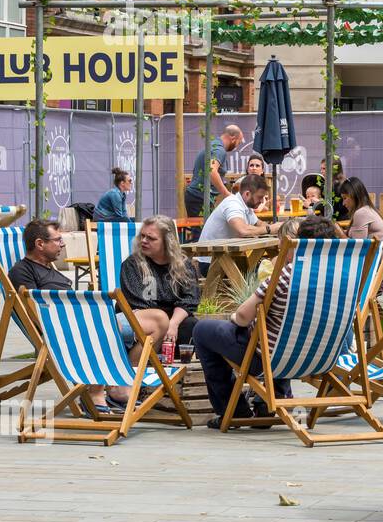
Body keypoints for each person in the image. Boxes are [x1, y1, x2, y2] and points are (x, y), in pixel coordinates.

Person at [193, 215, 343, 429]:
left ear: (300, 242)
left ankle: (234, 411)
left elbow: (243, 317)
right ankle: (267, 404)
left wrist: (235, 318)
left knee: (203, 330)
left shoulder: (286, 275)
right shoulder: (344, 277)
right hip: (320, 359)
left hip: (269, 361)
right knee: (280, 330)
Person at [9, 219, 114, 412]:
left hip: (79, 324)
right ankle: (96, 394)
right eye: (57, 240)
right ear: (40, 244)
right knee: (116, 333)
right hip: (63, 333)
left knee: (148, 325)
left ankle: (117, 391)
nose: (63, 244)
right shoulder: (22, 272)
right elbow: (36, 315)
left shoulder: (49, 268)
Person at [109, 216, 201, 408]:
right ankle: (133, 381)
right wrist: (166, 323)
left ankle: (177, 389)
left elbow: (190, 299)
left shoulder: (183, 265)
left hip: (170, 320)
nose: (143, 241)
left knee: (191, 327)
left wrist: (173, 324)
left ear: (167, 242)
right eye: (142, 236)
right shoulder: (132, 265)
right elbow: (138, 303)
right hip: (143, 321)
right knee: (158, 322)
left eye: (150, 238)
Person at [184, 124, 244, 217]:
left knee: (205, 230)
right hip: (200, 197)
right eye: (238, 142)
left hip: (197, 196)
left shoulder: (213, 144)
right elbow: (211, 170)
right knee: (204, 231)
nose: (236, 146)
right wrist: (226, 193)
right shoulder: (219, 150)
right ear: (233, 138)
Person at [199, 174, 278, 243]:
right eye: (259, 197)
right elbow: (243, 230)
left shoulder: (246, 205)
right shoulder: (233, 204)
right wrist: (269, 229)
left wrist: (278, 228)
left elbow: (259, 224)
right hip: (209, 258)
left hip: (224, 255)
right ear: (247, 194)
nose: (262, 201)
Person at [339, 176, 383, 243]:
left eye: (345, 198)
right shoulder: (367, 209)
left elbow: (356, 247)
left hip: (375, 253)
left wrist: (340, 234)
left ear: (354, 195)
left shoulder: (361, 213)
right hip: (377, 252)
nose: (343, 203)